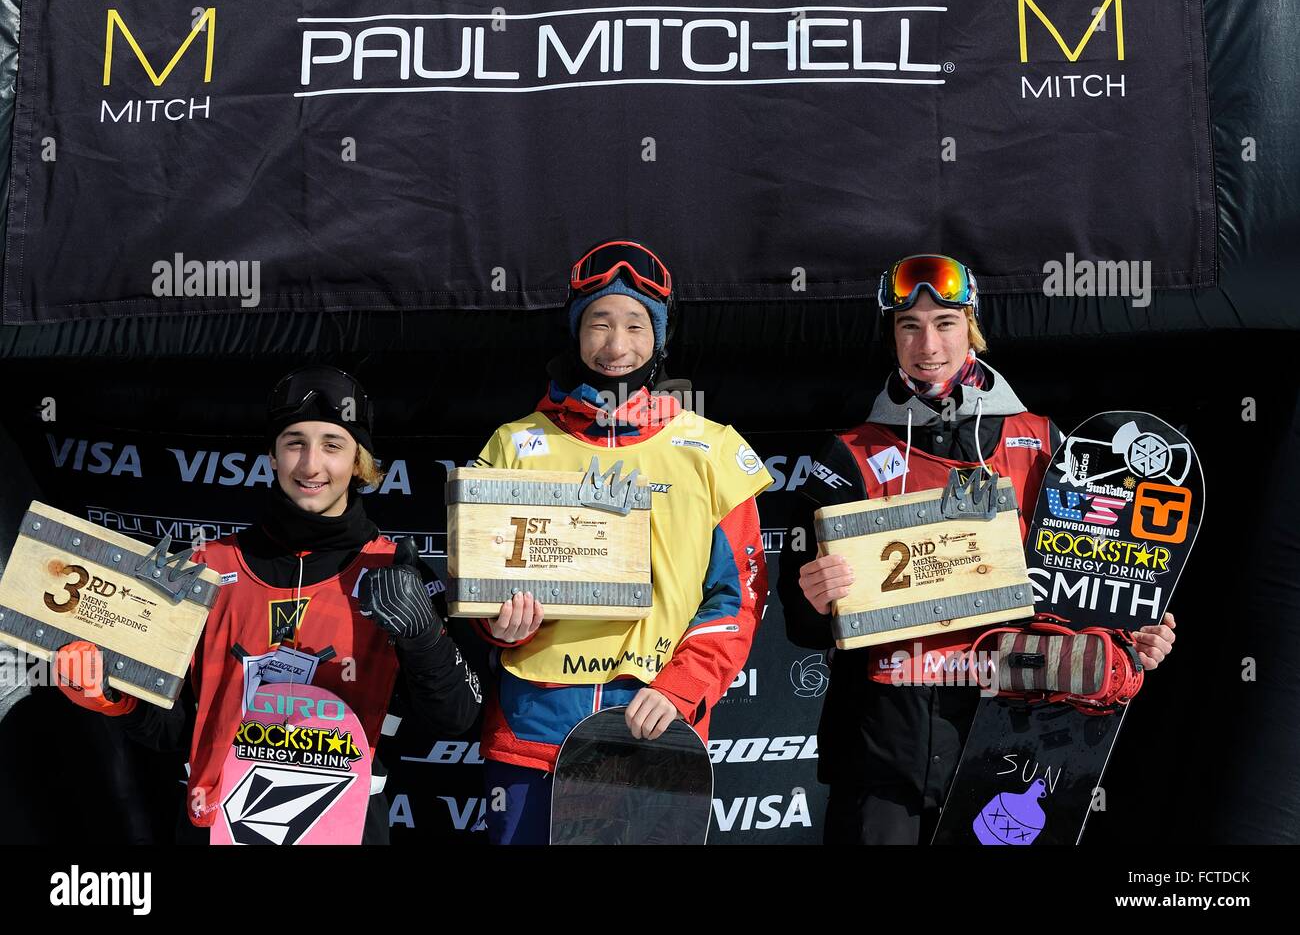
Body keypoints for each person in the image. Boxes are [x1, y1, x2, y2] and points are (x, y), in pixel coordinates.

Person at [777, 253, 1177, 844]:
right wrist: (814, 594)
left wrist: (1133, 629)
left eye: (944, 322)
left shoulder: (1043, 443)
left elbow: (1090, 579)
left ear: (972, 327)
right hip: (887, 757)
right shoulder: (850, 455)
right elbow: (803, 622)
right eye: (908, 326)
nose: (927, 344)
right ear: (891, 336)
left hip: (1014, 744)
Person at [54, 365, 483, 843]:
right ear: (273, 457)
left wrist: (423, 637)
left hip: (342, 828)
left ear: (359, 461)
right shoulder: (206, 568)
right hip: (217, 824)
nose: (311, 465)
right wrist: (116, 695)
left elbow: (456, 718)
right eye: (295, 442)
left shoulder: (392, 571)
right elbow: (175, 731)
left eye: (333, 445)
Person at [472, 239, 773, 844]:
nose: (616, 346)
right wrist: (498, 623)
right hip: (535, 731)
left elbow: (736, 598)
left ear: (658, 338)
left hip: (653, 728)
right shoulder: (512, 445)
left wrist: (680, 688)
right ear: (576, 332)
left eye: (636, 325)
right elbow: (483, 583)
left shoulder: (711, 448)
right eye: (599, 324)